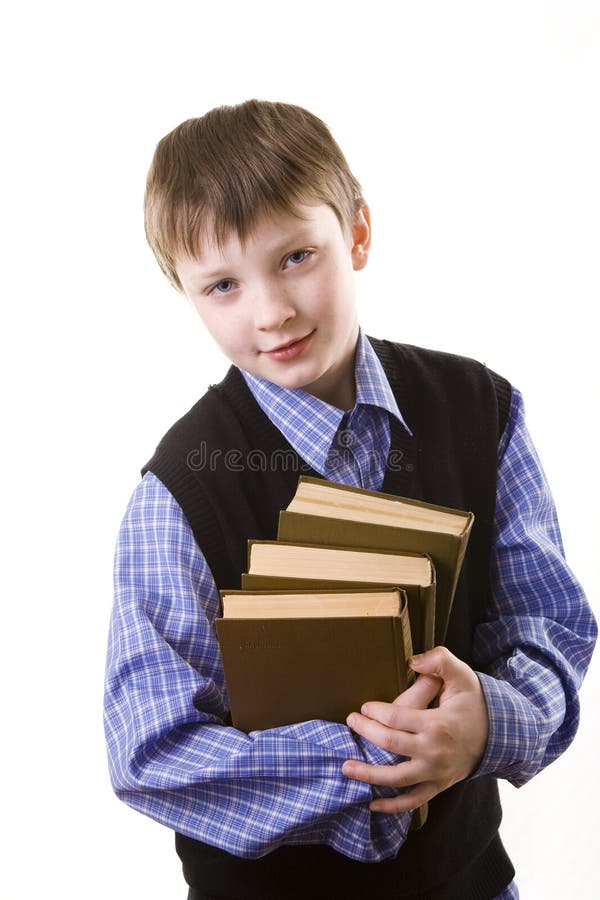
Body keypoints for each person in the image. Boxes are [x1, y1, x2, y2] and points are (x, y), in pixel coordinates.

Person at [104, 99, 597, 900]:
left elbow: (547, 629)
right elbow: (152, 752)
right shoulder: (177, 495)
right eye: (223, 285)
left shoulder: (482, 412)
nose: (272, 312)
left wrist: (487, 726)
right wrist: (377, 756)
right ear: (185, 292)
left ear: (357, 233)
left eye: (297, 256)